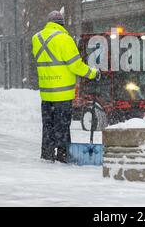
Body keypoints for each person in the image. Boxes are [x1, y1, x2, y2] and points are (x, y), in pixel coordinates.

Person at [32, 11, 101, 162]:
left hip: (46, 94)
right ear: (62, 24)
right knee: (62, 128)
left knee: (48, 127)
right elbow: (75, 66)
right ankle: (63, 155)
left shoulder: (36, 39)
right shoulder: (65, 39)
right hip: (62, 94)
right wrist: (93, 73)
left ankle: (47, 154)